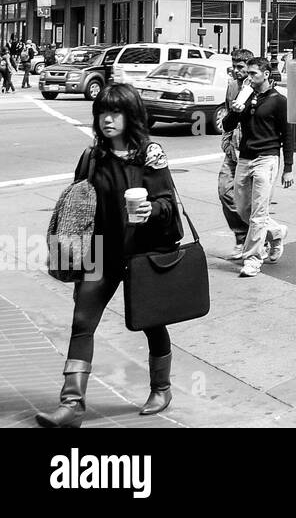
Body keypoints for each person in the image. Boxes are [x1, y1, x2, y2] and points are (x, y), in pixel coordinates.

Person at [35, 83, 183, 427]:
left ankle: (161, 388)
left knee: (151, 322)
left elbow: (166, 201)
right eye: (102, 112)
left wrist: (152, 208)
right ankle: (71, 405)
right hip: (100, 254)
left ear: (130, 115)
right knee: (82, 322)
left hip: (142, 254)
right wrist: (71, 252)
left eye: (115, 112)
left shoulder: (150, 153)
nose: (107, 119)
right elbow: (78, 205)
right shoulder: (92, 157)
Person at [221, 56, 294, 278]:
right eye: (248, 73)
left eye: (253, 73)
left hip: (267, 158)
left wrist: (288, 167)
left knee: (258, 212)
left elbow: (288, 135)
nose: (248, 77)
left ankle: (253, 258)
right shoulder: (246, 97)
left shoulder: (279, 101)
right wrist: (235, 110)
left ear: (266, 75)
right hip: (245, 157)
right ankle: (276, 231)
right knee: (243, 208)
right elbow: (227, 126)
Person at [216, 48, 254, 258]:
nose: (236, 71)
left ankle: (264, 236)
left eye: (240, 67)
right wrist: (226, 140)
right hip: (232, 150)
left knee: (249, 200)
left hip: (251, 152)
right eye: (234, 66)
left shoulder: (257, 88)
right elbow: (228, 115)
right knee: (224, 191)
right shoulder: (231, 86)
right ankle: (241, 236)